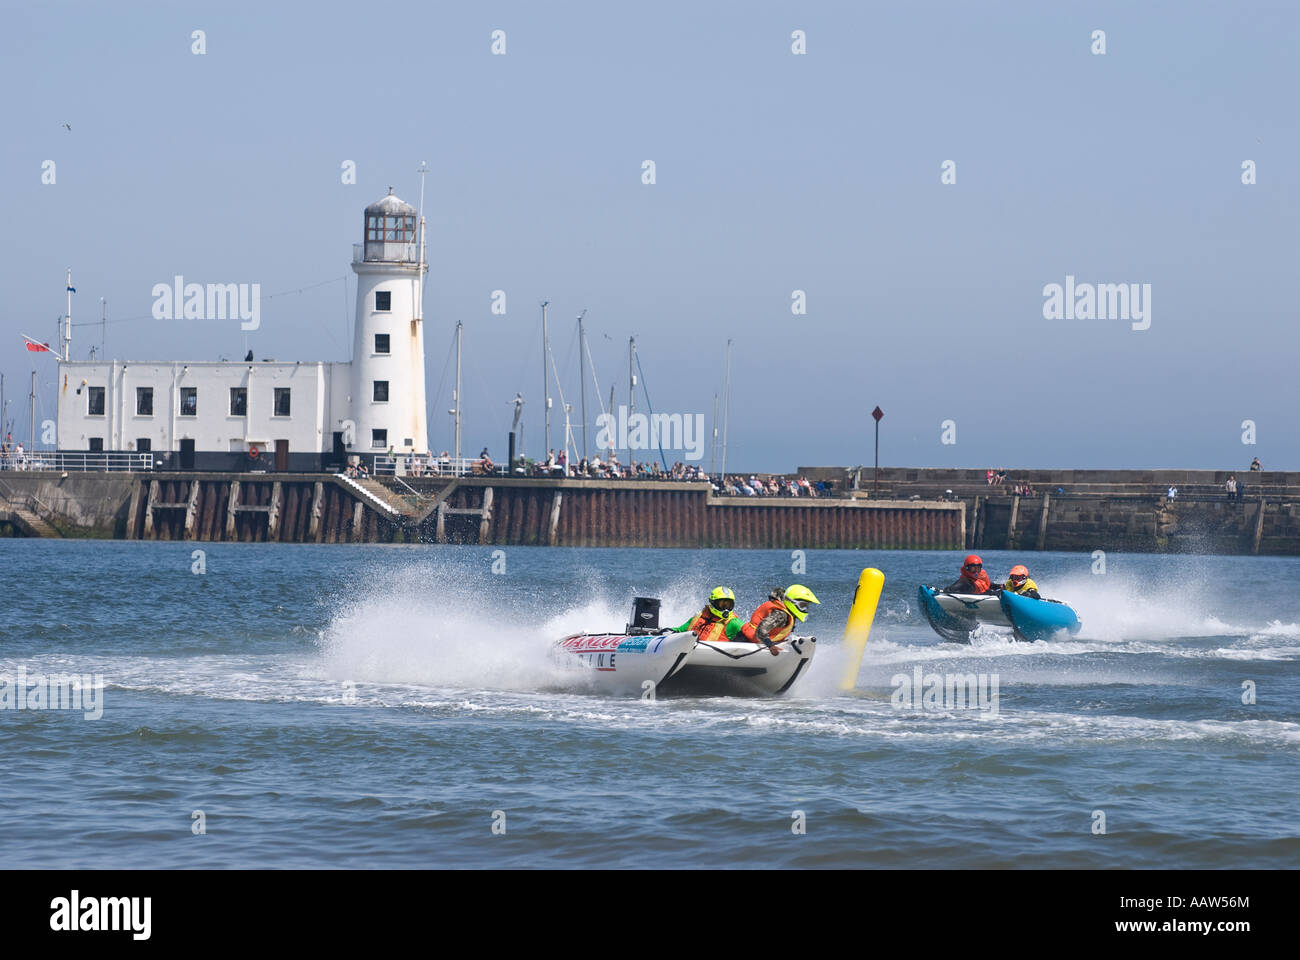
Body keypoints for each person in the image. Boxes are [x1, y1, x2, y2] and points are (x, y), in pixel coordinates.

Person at [739, 584, 820, 656]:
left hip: (753, 641)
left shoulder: (787, 612)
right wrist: (770, 646)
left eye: (806, 606)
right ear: (791, 602)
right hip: (744, 641)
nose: (805, 609)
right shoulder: (780, 615)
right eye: (802, 605)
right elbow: (761, 630)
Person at [670, 587, 743, 643]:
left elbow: (751, 632)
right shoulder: (698, 617)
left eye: (729, 605)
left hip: (715, 659)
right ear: (713, 603)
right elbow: (679, 630)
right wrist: (667, 632)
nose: (726, 609)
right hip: (690, 656)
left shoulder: (733, 623)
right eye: (722, 604)